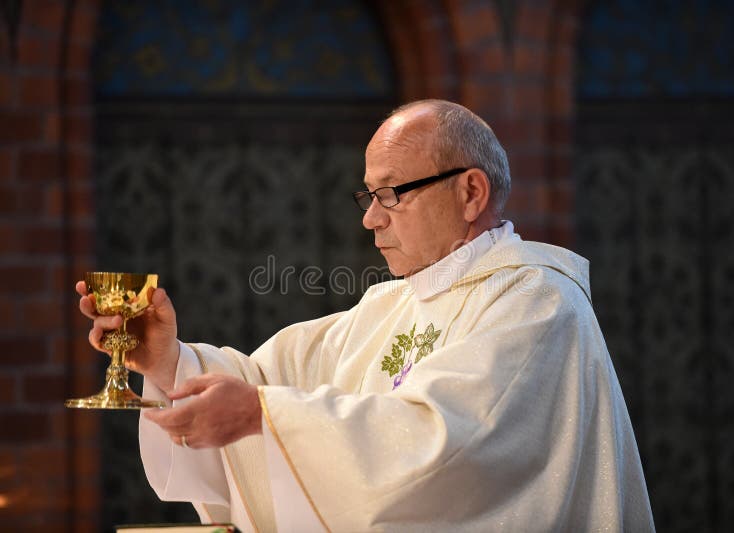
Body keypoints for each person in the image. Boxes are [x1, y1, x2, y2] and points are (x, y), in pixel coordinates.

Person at [78, 99, 655, 532]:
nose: (370, 220)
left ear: (471, 192)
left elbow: (451, 444)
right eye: (368, 196)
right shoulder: (392, 303)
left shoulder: (536, 304)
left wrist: (263, 416)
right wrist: (168, 363)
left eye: (391, 193)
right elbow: (271, 380)